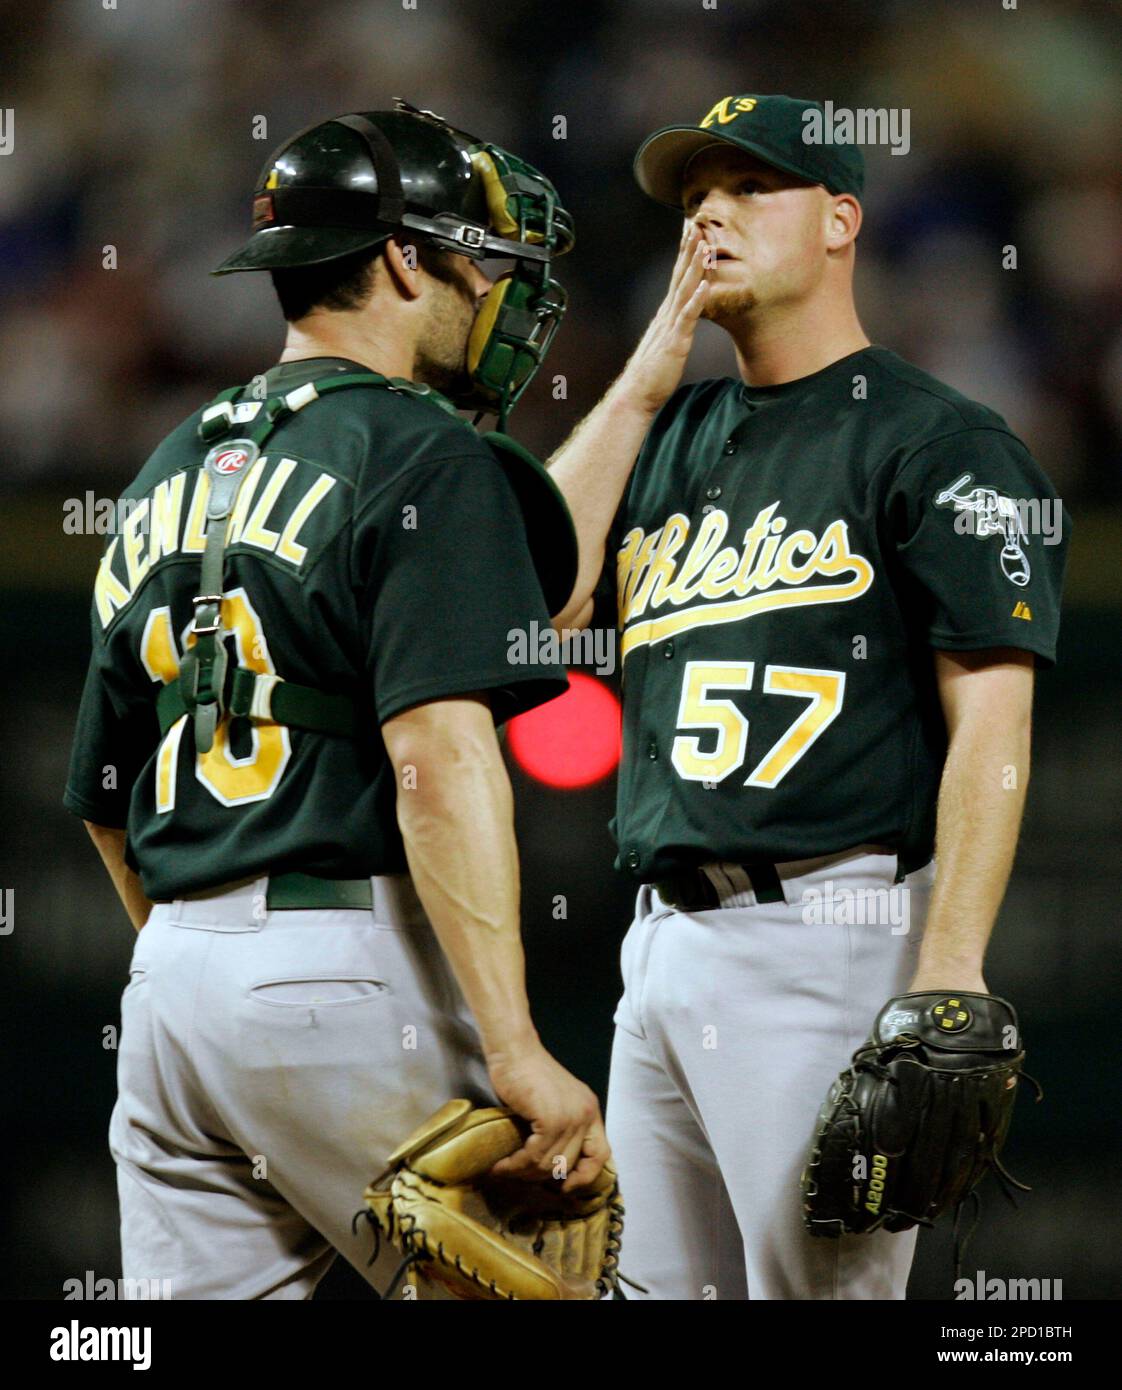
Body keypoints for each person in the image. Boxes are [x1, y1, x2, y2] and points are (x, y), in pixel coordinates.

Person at [63, 100, 607, 1300]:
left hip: (171, 993)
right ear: (406, 258)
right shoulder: (423, 452)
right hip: (342, 966)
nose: (491, 286)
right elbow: (439, 765)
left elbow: (106, 794)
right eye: (477, 255)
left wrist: (198, 969)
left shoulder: (167, 462)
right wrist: (516, 1049)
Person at [547, 93, 1069, 1300]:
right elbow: (544, 594)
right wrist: (640, 381)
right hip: (662, 941)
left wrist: (948, 966)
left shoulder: (937, 440)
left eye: (749, 188)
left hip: (827, 935)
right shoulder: (670, 434)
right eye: (693, 200)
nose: (710, 218)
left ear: (841, 220)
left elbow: (994, 720)